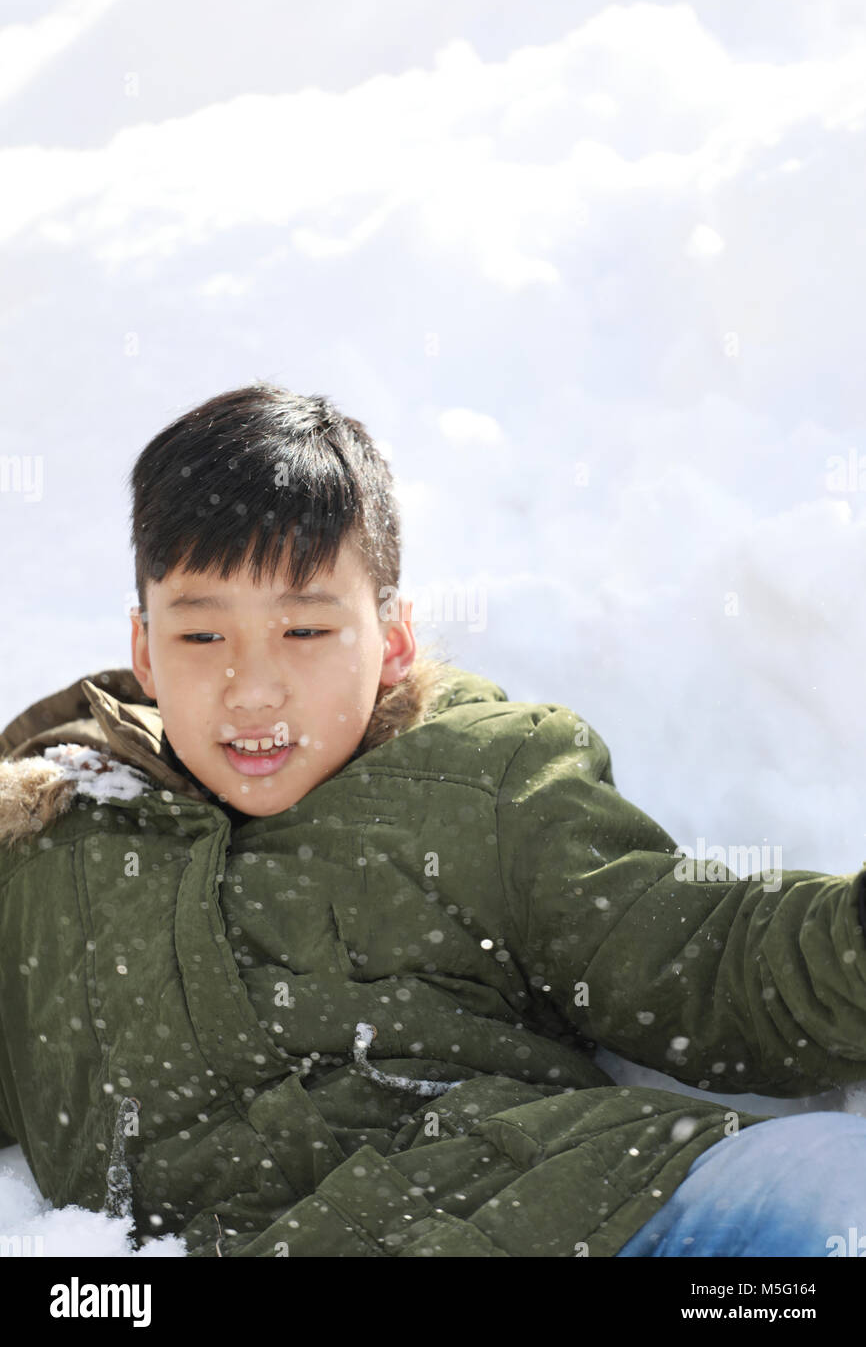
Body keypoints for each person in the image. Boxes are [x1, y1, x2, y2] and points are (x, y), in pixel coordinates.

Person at [1, 382, 866, 1259]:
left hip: (582, 1210)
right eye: (201, 637)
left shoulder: (481, 790)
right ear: (144, 648)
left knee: (833, 1184)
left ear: (394, 639)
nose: (254, 689)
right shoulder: (49, 856)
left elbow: (700, 957)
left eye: (304, 631)